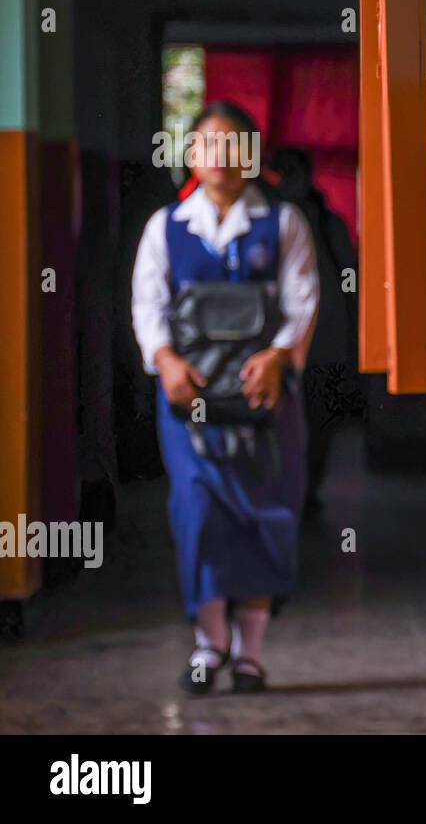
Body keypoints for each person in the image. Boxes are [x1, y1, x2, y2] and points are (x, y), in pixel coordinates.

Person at [131, 100, 319, 694]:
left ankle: (250, 655)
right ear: (192, 155)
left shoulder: (283, 222)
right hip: (191, 403)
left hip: (264, 401)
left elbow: (304, 300)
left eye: (235, 145)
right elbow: (146, 305)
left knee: (264, 512)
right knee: (199, 514)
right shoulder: (166, 228)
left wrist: (279, 356)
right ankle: (208, 645)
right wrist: (165, 361)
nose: (222, 157)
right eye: (210, 145)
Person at [264, 146, 362, 515]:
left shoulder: (321, 219)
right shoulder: (273, 219)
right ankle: (293, 491)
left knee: (313, 419)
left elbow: (348, 275)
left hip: (321, 340)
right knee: (301, 419)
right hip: (295, 343)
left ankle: (300, 492)